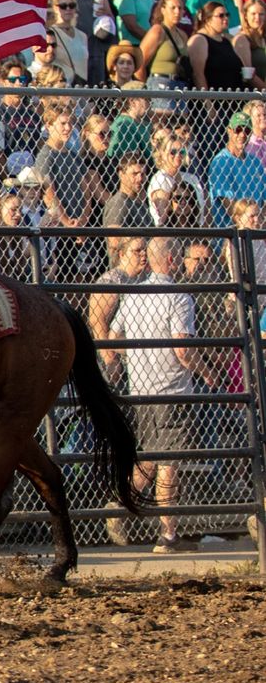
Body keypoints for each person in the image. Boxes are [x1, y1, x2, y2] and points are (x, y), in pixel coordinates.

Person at [111, 236, 214, 555]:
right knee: (167, 463)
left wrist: (137, 363)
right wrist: (208, 374)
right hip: (171, 391)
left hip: (141, 389)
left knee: (151, 458)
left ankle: (116, 506)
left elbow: (113, 339)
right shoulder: (177, 296)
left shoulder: (133, 296)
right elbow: (182, 348)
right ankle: (168, 537)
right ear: (170, 260)